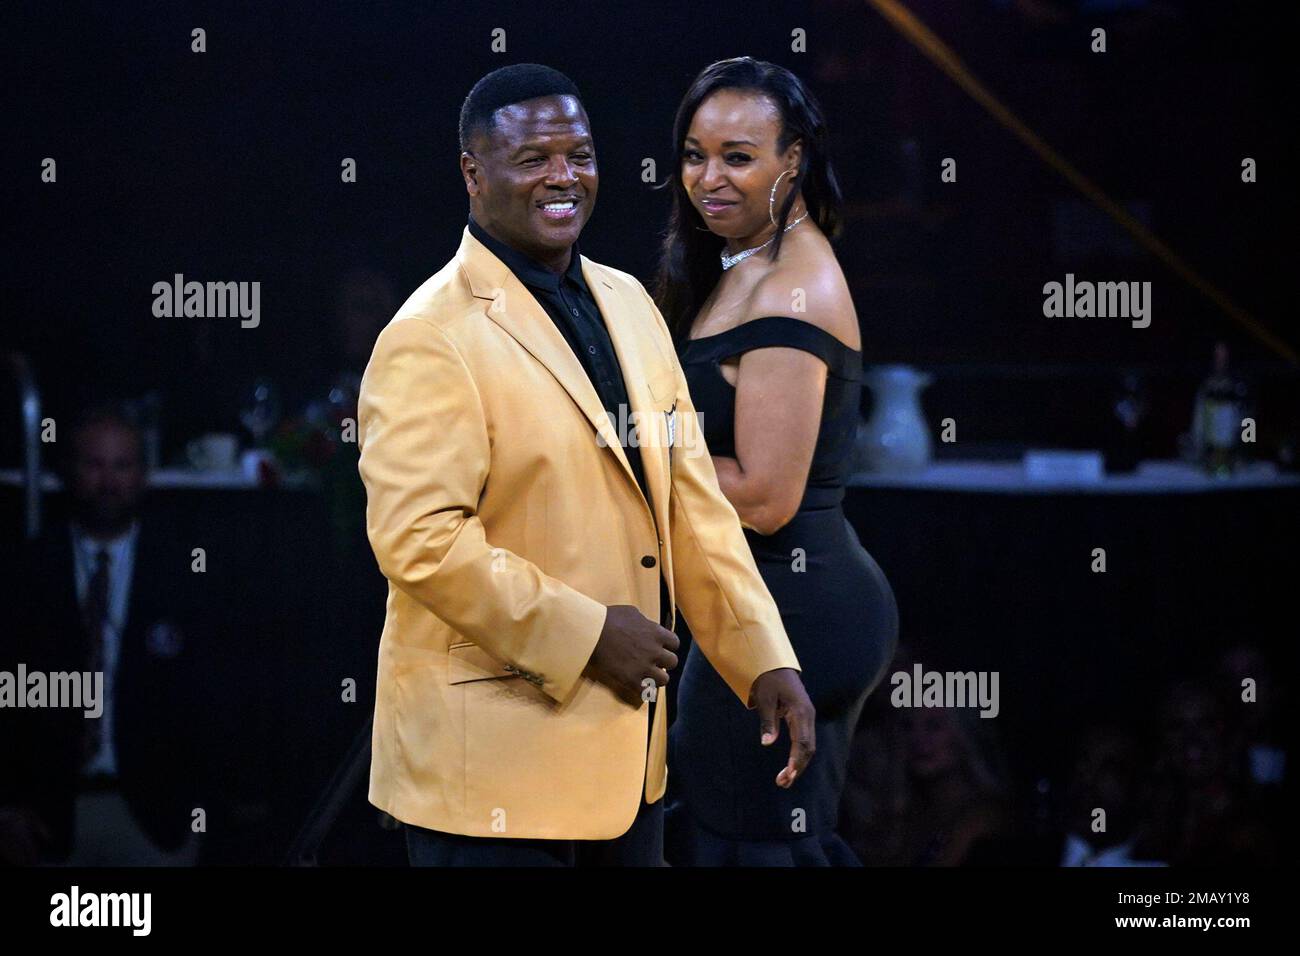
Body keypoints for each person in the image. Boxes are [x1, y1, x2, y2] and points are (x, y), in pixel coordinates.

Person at [356, 63, 815, 867]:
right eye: (534, 159)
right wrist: (589, 632)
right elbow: (420, 541)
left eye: (580, 153)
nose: (563, 177)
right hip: (487, 777)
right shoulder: (427, 333)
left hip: (624, 767)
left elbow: (692, 505)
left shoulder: (631, 303)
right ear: (474, 173)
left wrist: (761, 654)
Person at [655, 57, 899, 865]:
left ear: (791, 159)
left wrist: (620, 452)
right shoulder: (743, 259)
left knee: (755, 849)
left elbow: (763, 497)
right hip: (754, 601)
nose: (707, 178)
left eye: (738, 156)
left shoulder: (795, 286)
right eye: (694, 154)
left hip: (798, 609)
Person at [0, 406, 230, 865]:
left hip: (156, 820)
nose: (108, 482)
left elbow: (216, 702)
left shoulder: (183, 573)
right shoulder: (26, 568)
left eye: (122, 465)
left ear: (144, 474)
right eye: (94, 464)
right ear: (68, 470)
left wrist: (203, 811)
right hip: (44, 819)